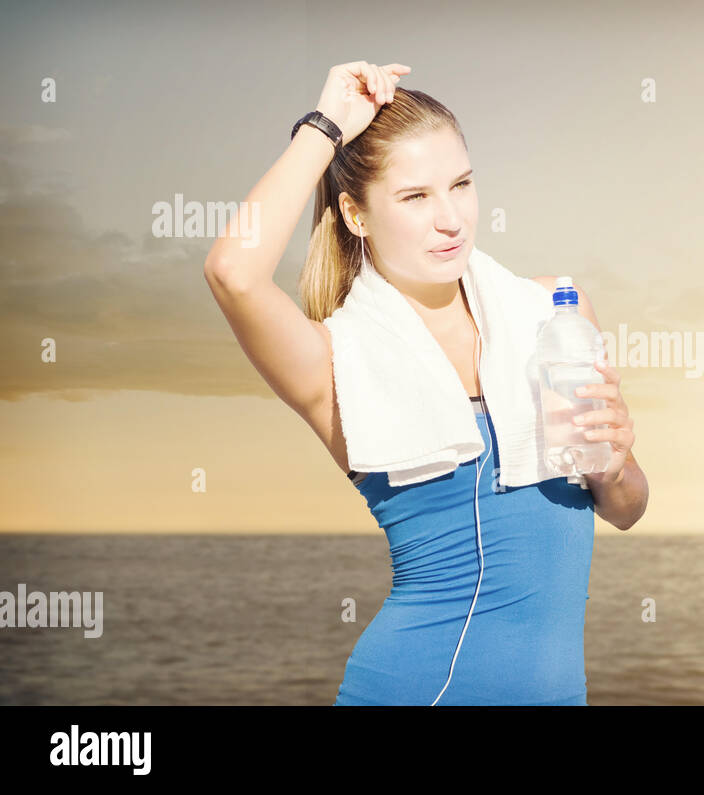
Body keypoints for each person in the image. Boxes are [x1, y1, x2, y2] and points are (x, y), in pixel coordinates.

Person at [204, 61, 649, 705]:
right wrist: (324, 126)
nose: (452, 218)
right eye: (415, 197)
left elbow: (628, 509)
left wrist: (613, 467)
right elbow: (232, 272)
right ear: (355, 214)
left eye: (461, 185)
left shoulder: (556, 317)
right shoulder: (334, 359)